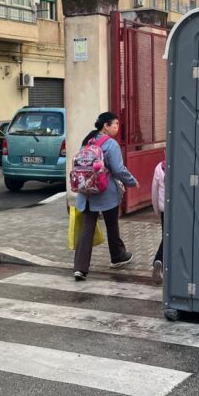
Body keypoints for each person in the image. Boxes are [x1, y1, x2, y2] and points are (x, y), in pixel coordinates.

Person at [73, 112, 137, 281]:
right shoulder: (111, 144)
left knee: (87, 228)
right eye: (114, 124)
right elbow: (118, 170)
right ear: (105, 126)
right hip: (105, 193)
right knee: (111, 224)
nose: (117, 127)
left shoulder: (87, 141)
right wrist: (132, 181)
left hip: (86, 192)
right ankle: (117, 256)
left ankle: (80, 268)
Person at [150, 160, 166, 284]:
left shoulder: (160, 167)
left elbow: (154, 191)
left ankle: (160, 262)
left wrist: (156, 209)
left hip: (164, 208)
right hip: (180, 209)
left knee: (166, 235)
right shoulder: (183, 165)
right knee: (171, 237)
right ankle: (159, 260)